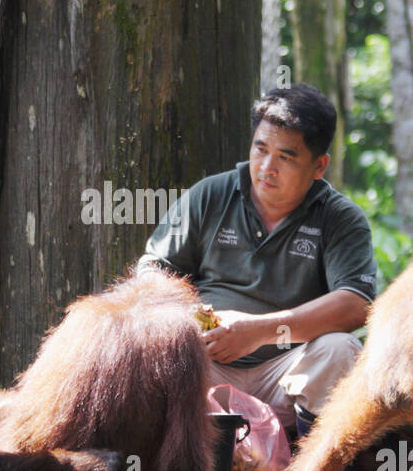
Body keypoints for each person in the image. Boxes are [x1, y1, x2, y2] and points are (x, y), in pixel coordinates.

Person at [139, 83, 377, 436]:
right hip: (205, 369)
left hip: (286, 377)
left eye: (286, 157)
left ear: (319, 166)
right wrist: (194, 321)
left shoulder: (341, 218)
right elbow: (151, 273)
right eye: (260, 149)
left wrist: (259, 332)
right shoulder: (210, 196)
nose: (267, 167)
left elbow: (357, 305)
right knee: (140, 340)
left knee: (341, 350)